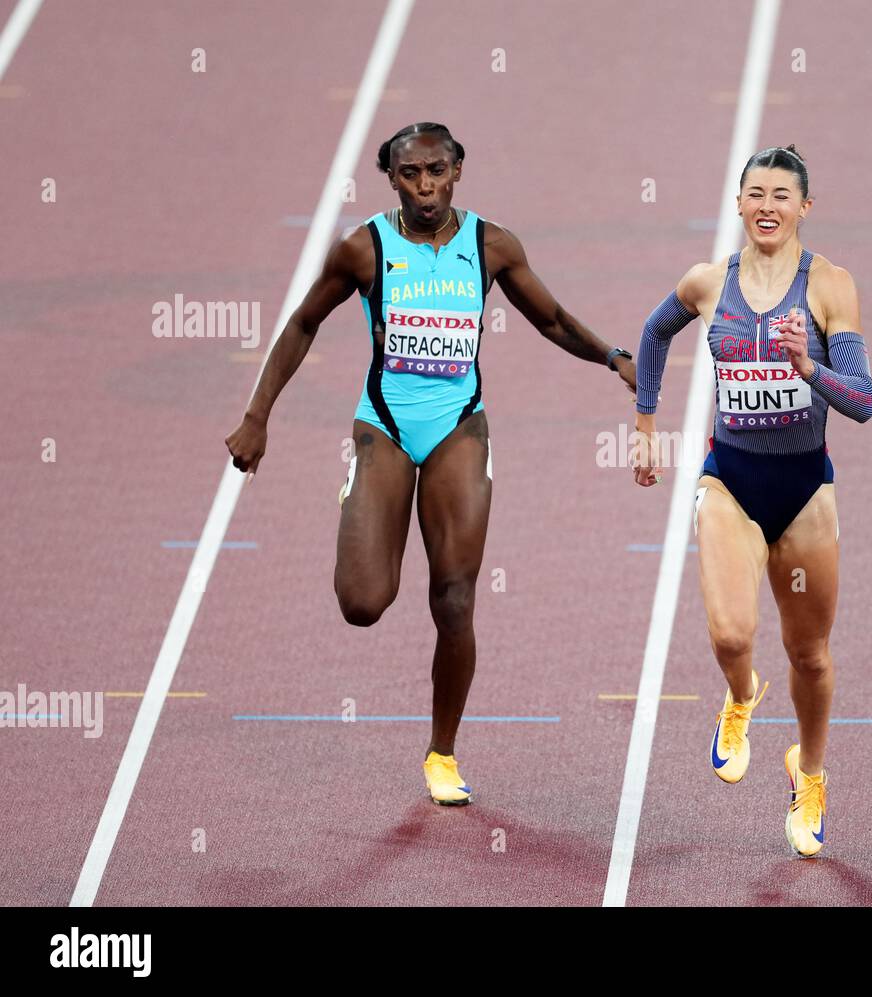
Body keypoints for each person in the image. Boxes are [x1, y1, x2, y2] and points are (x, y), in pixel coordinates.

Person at [225, 122, 637, 805]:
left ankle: (442, 752)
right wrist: (256, 415)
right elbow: (302, 323)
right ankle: (363, 500)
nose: (425, 187)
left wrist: (611, 357)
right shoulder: (364, 249)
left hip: (457, 425)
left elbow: (552, 319)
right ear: (390, 177)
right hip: (385, 423)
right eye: (411, 174)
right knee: (362, 603)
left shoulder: (491, 245)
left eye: (436, 171)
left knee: (454, 597)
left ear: (458, 170)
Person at [632, 145, 872, 856]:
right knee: (733, 635)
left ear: (805, 207)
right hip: (730, 482)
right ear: (738, 203)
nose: (767, 205)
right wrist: (646, 426)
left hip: (804, 492)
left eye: (782, 194)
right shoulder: (710, 284)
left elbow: (863, 401)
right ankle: (740, 698)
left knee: (812, 656)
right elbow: (652, 335)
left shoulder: (829, 286)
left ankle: (810, 772)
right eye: (754, 193)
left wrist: (811, 366)